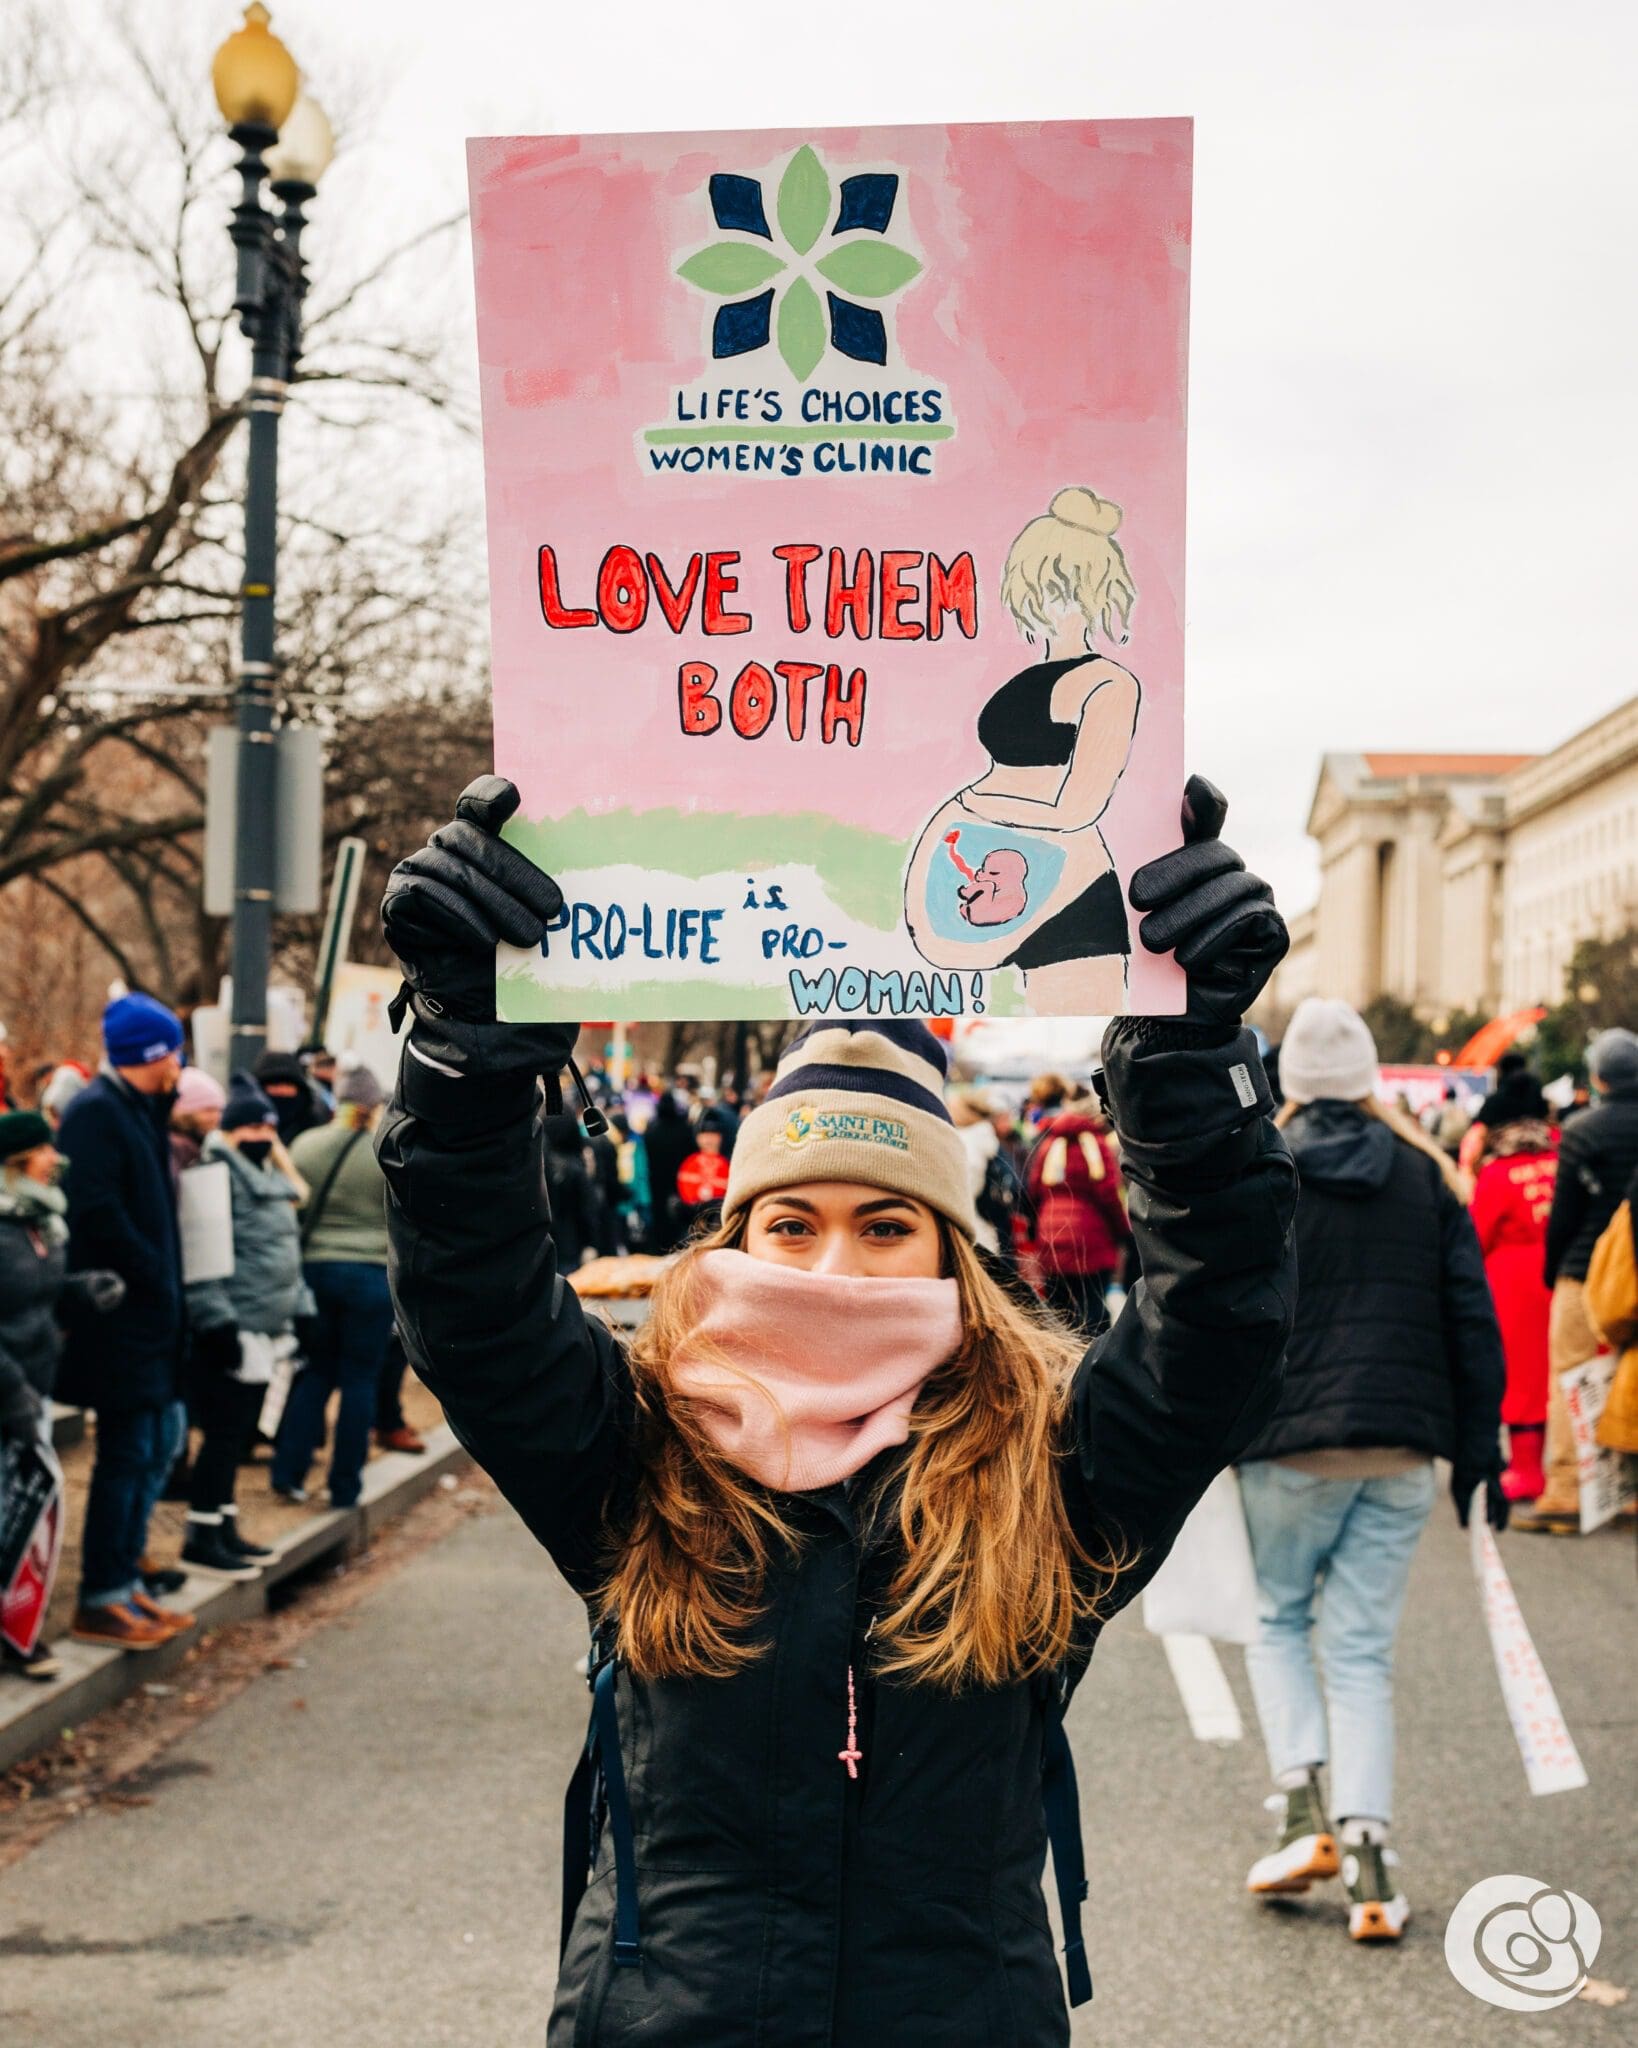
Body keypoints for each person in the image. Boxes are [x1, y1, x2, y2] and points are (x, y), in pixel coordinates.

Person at [374, 771, 1294, 2047]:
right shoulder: (642, 1449)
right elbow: (470, 1305)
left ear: (948, 1255)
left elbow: (1220, 1326)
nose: (830, 1268)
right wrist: (463, 1057)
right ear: (736, 1236)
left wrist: (1191, 1068)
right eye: (790, 1222)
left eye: (883, 1224)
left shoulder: (1052, 1467)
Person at [1238, 997, 1505, 1945]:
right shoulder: (1423, 1177)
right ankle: (1370, 1865)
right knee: (1359, 1652)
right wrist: (1480, 1453)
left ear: (1293, 1086)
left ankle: (1302, 1809)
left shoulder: (1263, 1175)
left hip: (1286, 1438)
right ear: (1370, 1081)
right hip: (1402, 1445)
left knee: (1275, 1618)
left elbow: (1226, 1314)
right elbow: (1472, 1320)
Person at [905, 488, 1142, 1015]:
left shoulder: (1108, 683)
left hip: (1069, 886)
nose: (1055, 601)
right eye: (1043, 585)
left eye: (1066, 585)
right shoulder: (1027, 678)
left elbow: (1079, 807)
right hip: (1009, 866)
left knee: (1086, 1033)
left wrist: (978, 809)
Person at [56, 995, 198, 1650]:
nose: (180, 1060)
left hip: (153, 1317)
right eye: (172, 1049)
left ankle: (125, 1580)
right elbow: (97, 1209)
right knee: (128, 1453)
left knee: (157, 1448)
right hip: (122, 1322)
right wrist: (149, 1273)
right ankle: (103, 1594)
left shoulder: (136, 1109)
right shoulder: (97, 1114)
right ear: (150, 1053)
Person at [0, 1111, 125, 1680]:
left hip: (33, 1388)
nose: (58, 1159)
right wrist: (14, 1396)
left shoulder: (38, 1222)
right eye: (46, 1149)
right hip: (10, 1394)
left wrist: (81, 1293)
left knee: (24, 1520)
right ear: (18, 1160)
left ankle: (16, 1635)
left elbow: (36, 1298)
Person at [180, 1073, 309, 1579]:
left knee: (238, 1437)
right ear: (229, 1130)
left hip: (269, 1326)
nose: (258, 1133)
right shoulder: (212, 1174)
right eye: (247, 1125)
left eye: (265, 1125)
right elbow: (202, 1256)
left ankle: (224, 1525)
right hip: (236, 1326)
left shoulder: (278, 1179)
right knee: (223, 1434)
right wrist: (218, 1323)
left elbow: (285, 1254)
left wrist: (304, 1308)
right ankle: (202, 1531)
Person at [272, 1061, 396, 1507]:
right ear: (374, 1103)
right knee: (360, 1379)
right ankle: (345, 1488)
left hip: (316, 1270)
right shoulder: (387, 1150)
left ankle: (288, 1472)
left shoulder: (305, 1145)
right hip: (371, 1274)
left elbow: (291, 1211)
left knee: (316, 1371)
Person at [1531, 1027, 1638, 1531]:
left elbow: (1564, 1217)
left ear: (1599, 1077)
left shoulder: (1583, 1130)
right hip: (1634, 1272)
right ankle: (1630, 1489)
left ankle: (1567, 1491)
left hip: (1582, 1268)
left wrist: (1554, 1271)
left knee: (1568, 1375)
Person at [1469, 1083, 1558, 1504]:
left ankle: (1526, 1469)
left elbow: (1476, 1234)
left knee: (1522, 1378)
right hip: (1560, 1273)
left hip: (1514, 1285)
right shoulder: (1559, 1160)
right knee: (1555, 1373)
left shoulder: (1498, 1173)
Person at [1024, 1088, 1130, 1336]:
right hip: (1090, 1239)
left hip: (1051, 1236)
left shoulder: (1048, 1144)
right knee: (1092, 1307)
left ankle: (1064, 1363)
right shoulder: (1096, 1145)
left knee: (1061, 1310)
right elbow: (1108, 1195)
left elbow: (1034, 1190)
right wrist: (1122, 1232)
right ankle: (1092, 1364)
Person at [545, 1114, 606, 1269]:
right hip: (572, 1246)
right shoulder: (575, 1168)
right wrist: (591, 1243)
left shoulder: (539, 1166)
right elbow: (587, 1209)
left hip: (546, 1246)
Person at [948, 1090, 1002, 1254]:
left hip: (972, 1225)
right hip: (986, 1224)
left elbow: (966, 1186)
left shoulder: (967, 1141)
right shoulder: (984, 1136)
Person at [642, 1091, 695, 1253]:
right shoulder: (685, 1130)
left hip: (657, 1186)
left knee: (661, 1225)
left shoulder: (651, 1132)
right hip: (681, 1185)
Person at [251, 1049, 331, 1147]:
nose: (282, 1090)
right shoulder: (245, 1122)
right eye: (275, 1084)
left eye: (288, 1084)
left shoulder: (315, 1122)